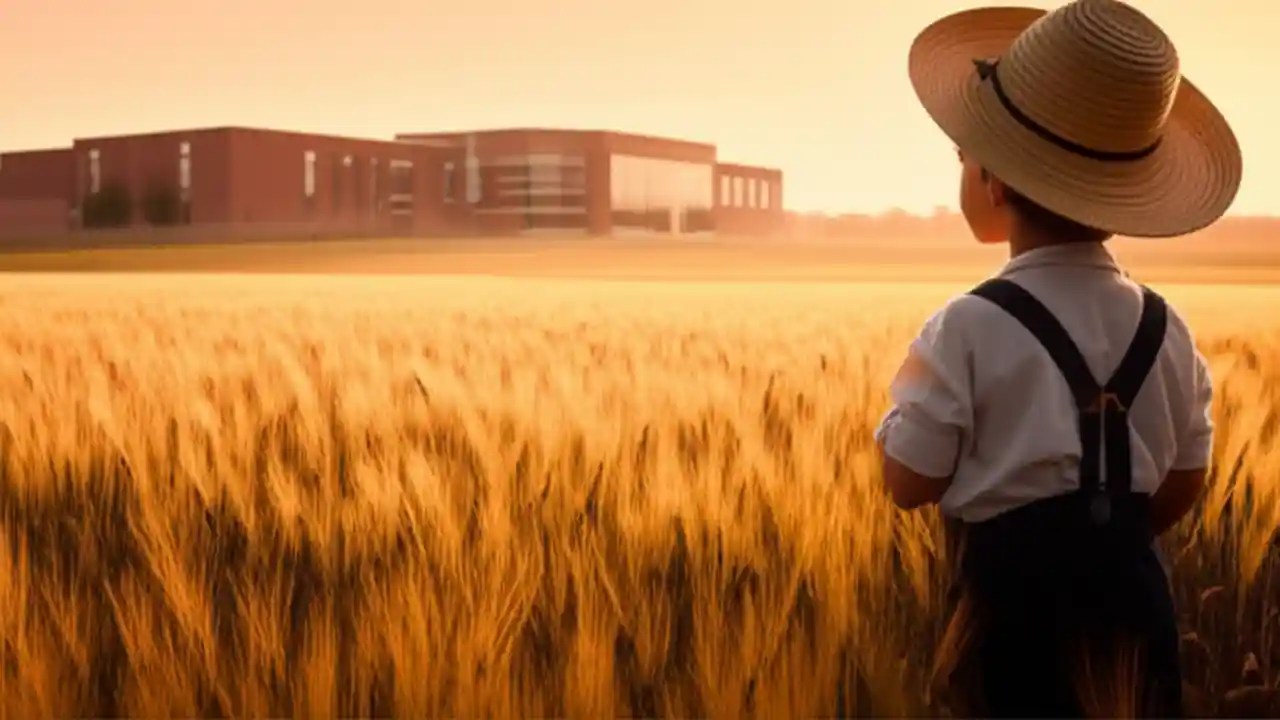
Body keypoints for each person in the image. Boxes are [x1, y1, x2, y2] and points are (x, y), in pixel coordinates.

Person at [873, 0, 1242, 716]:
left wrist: (897, 432)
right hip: (1137, 619)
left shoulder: (962, 326)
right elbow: (1181, 485)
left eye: (964, 158)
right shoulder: (1170, 329)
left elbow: (909, 482)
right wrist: (1105, 526)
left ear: (997, 182)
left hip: (1007, 620)